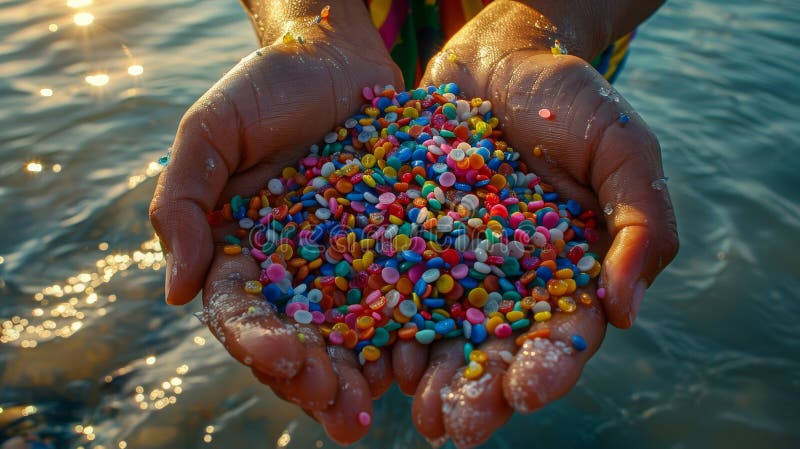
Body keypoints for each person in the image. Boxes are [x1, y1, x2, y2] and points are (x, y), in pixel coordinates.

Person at [149, 1, 678, 447]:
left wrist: (536, 24)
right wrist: (312, 20)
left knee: (398, 366)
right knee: (380, 366)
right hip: (343, 76)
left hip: (536, 68)